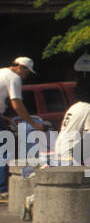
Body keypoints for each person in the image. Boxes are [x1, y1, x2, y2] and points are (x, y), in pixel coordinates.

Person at [0, 57, 45, 197]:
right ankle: (2, 189)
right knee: (5, 148)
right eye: (26, 72)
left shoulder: (1, 72)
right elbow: (17, 104)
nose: (26, 76)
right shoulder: (14, 78)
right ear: (21, 67)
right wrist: (34, 124)